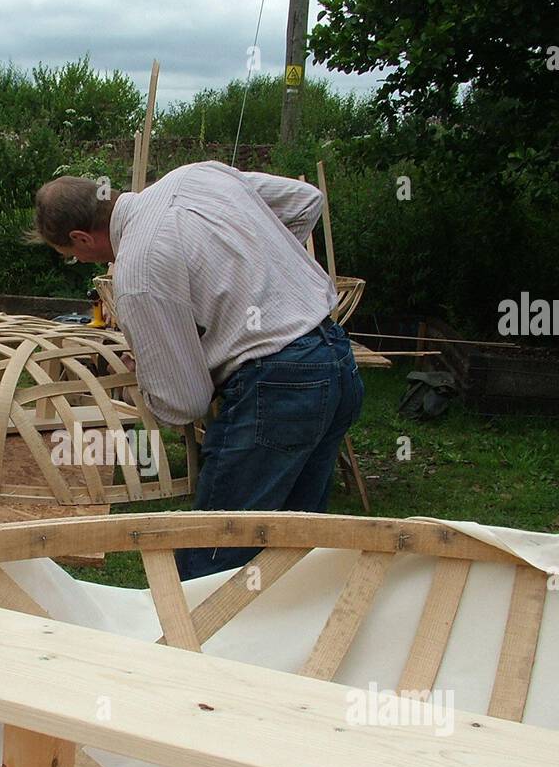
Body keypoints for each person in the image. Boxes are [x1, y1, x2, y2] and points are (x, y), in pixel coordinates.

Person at [29, 161, 363, 579]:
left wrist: (153, 371)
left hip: (279, 390)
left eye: (74, 255)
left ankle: (198, 643)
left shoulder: (136, 271)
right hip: (336, 359)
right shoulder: (197, 176)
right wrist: (254, 273)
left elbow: (183, 404)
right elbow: (303, 202)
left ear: (81, 237)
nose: (81, 259)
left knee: (214, 556)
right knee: (294, 545)